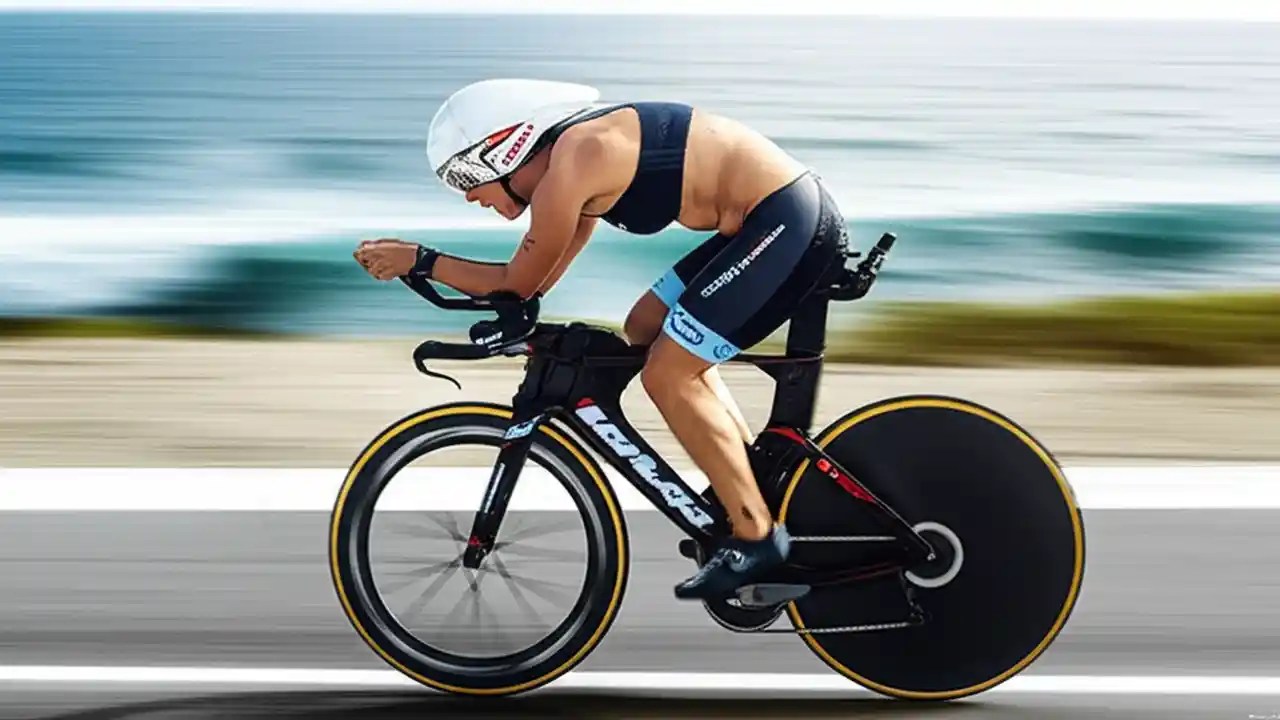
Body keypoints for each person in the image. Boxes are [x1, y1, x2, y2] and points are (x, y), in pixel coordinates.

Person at [354, 78, 848, 601]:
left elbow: (516, 281)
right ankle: (742, 477)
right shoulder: (574, 165)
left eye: (464, 175)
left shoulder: (575, 161)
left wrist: (422, 261)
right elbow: (537, 280)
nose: (468, 194)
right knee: (644, 327)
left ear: (504, 146)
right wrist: (508, 311)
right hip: (771, 219)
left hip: (785, 222)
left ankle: (755, 537)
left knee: (667, 374)